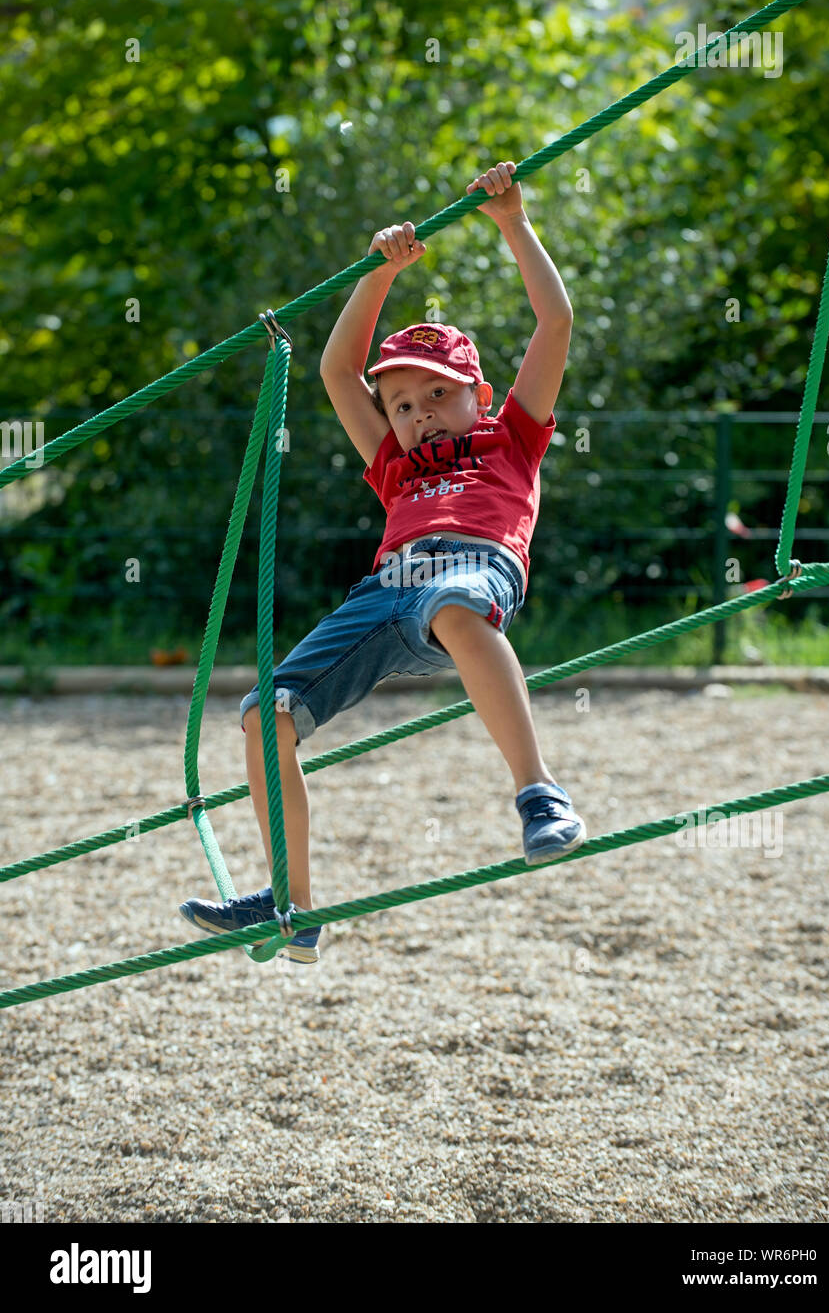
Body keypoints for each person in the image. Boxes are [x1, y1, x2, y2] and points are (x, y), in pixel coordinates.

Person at [179, 160, 586, 964]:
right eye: (400, 404)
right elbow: (335, 372)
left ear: (478, 393)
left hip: (472, 568)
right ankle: (291, 905)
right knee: (266, 715)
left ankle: (539, 795)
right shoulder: (393, 464)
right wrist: (379, 273)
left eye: (436, 395)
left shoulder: (512, 437)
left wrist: (513, 223)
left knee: (455, 606)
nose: (417, 414)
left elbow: (555, 324)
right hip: (387, 587)